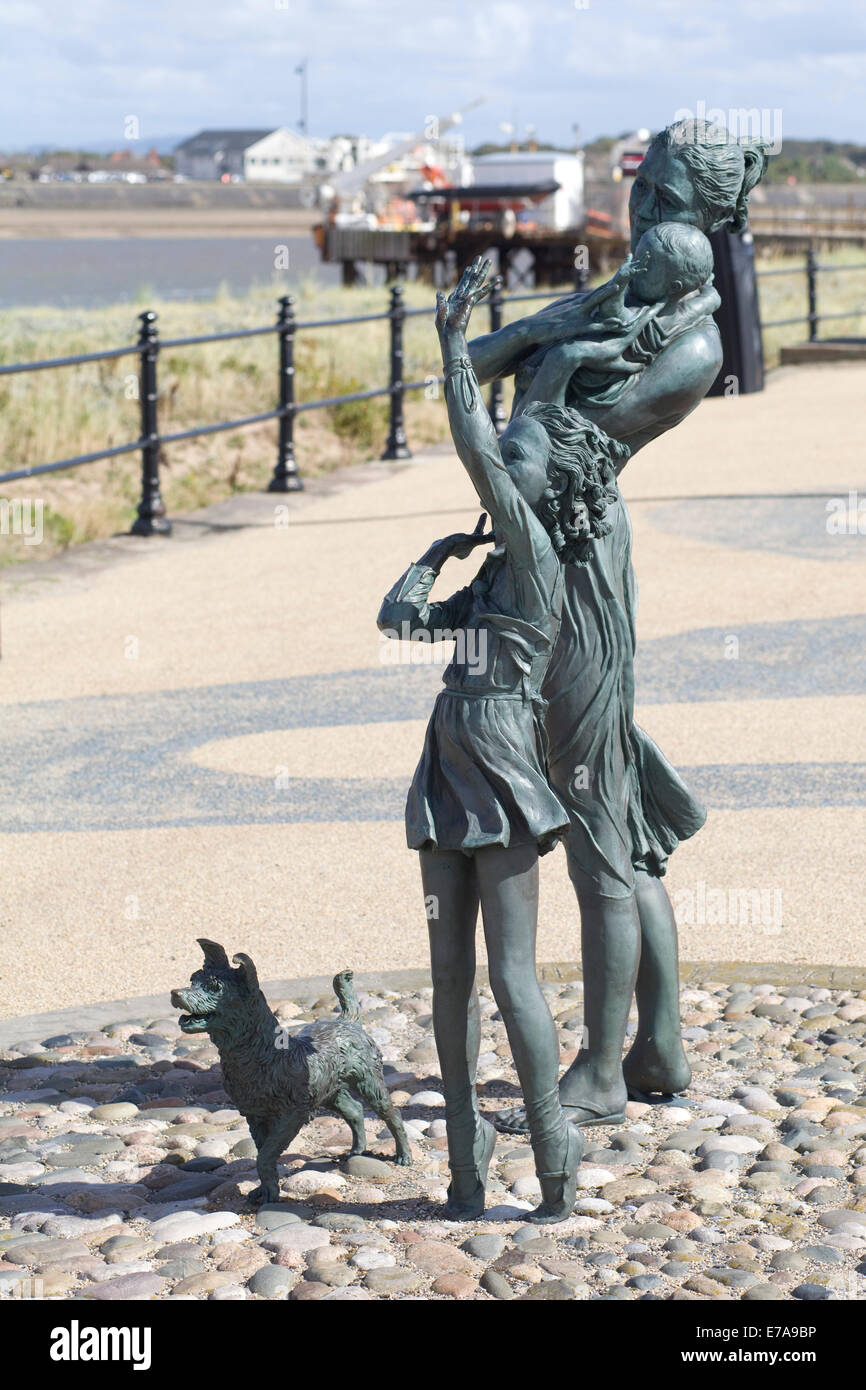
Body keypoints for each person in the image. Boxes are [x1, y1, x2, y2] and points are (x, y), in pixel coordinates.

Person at [463, 119, 769, 1132]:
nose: (645, 212)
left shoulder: (690, 345)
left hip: (577, 567)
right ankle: (659, 1042)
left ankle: (598, 1070)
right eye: (644, 188)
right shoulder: (627, 298)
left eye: (668, 199)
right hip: (553, 546)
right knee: (617, 804)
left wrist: (548, 360)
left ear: (711, 217)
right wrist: (544, 336)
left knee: (598, 813)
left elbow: (539, 456)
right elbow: (484, 352)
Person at [378, 259, 629, 1221]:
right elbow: (401, 625)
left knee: (513, 975)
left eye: (522, 460)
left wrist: (454, 349)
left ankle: (553, 1150)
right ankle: (465, 1163)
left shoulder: (535, 567)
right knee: (449, 976)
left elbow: (481, 455)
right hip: (447, 757)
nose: (502, 466)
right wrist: (430, 562)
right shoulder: (489, 588)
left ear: (547, 491)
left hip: (500, 762)